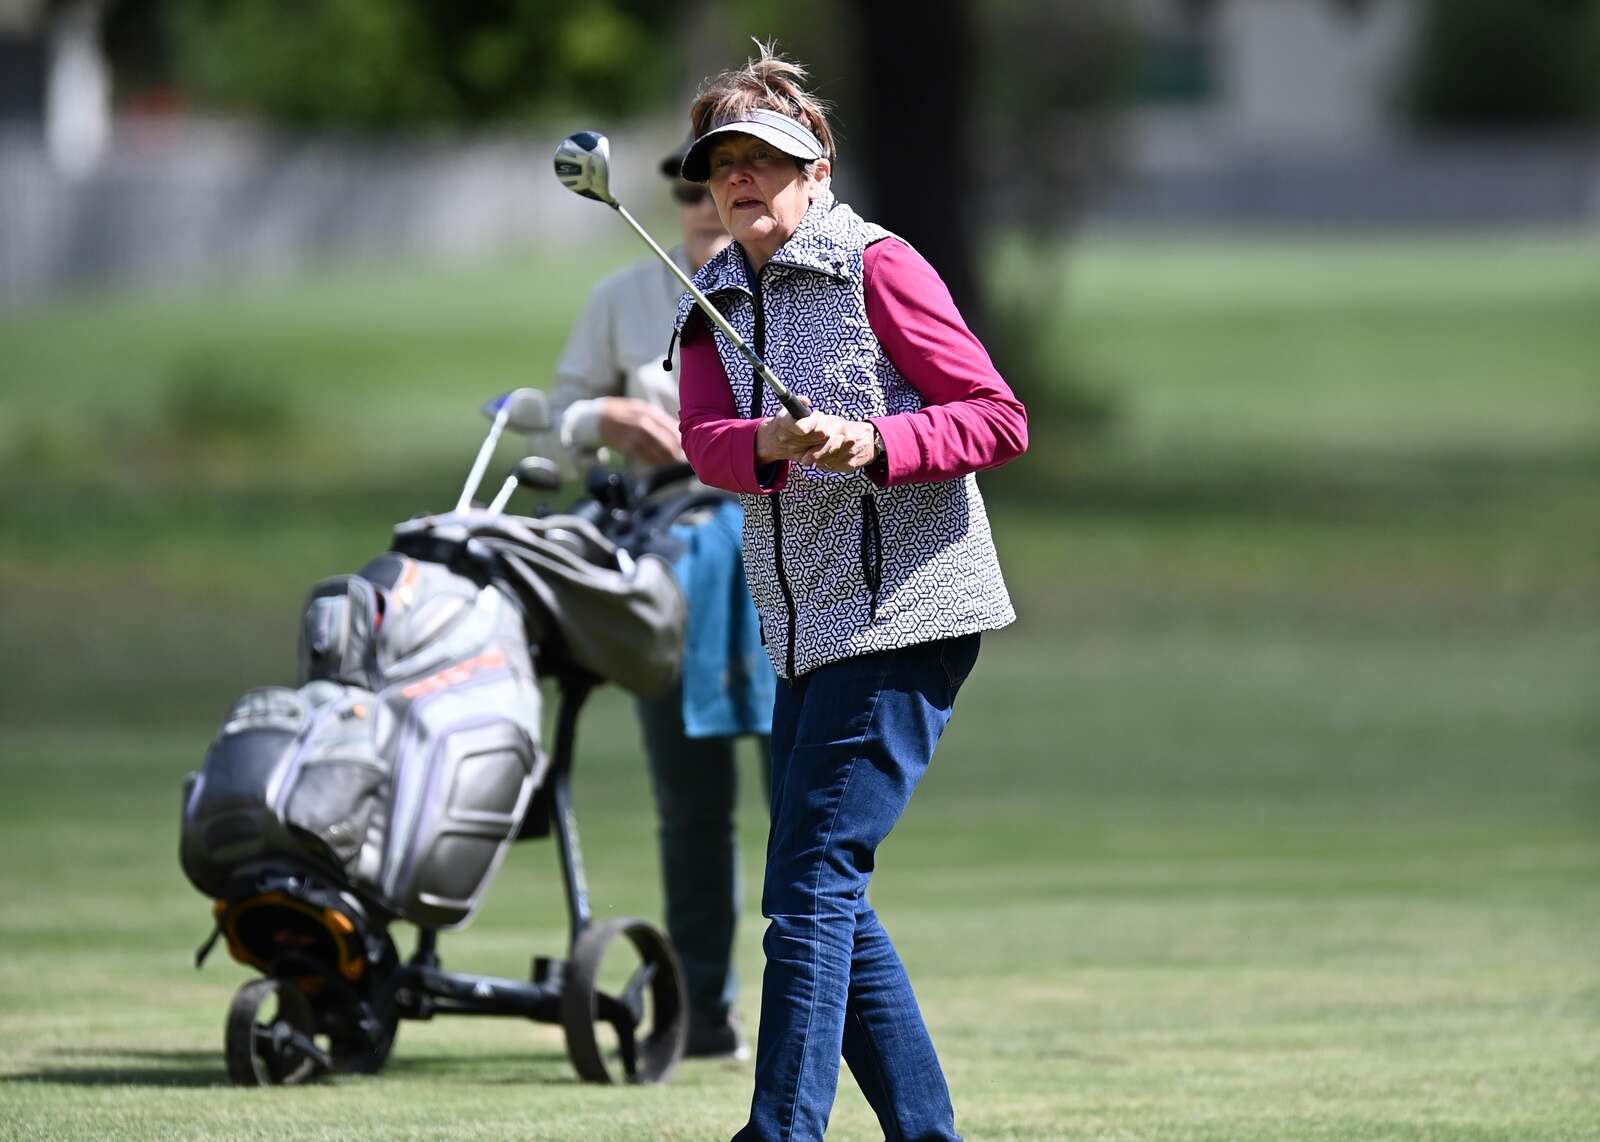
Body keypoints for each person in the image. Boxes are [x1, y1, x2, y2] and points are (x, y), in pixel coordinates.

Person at [673, 46, 1028, 1142]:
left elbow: (995, 415)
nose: (743, 179)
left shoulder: (878, 265)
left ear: (815, 170)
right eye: (723, 163)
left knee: (810, 882)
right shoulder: (709, 302)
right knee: (824, 887)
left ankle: (779, 1131)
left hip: (905, 611)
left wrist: (874, 438)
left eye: (765, 161)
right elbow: (702, 445)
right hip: (801, 631)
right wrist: (771, 442)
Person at [547, 143, 773, 1060]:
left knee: (809, 806)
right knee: (689, 802)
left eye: (734, 180)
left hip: (790, 551)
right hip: (669, 563)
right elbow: (555, 427)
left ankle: (820, 1012)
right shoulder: (625, 299)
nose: (709, 202)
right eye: (691, 186)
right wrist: (600, 421)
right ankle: (705, 1012)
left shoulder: (812, 293)